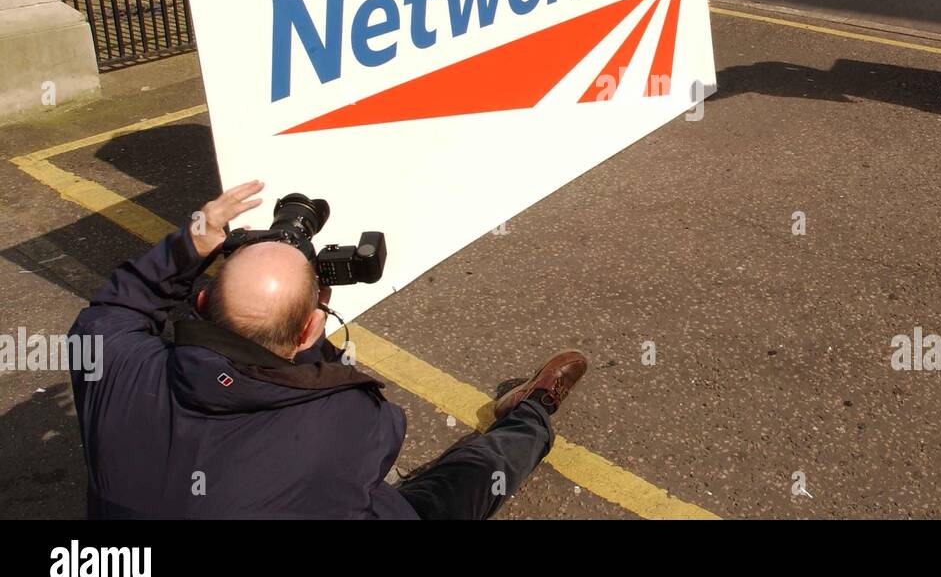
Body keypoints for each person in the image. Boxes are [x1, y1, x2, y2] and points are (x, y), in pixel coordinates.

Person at [67, 180, 587, 519]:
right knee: (460, 489)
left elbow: (116, 308)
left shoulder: (112, 363)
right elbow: (376, 425)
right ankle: (531, 415)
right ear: (312, 326)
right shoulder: (349, 423)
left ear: (200, 298)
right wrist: (316, 347)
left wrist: (191, 242)